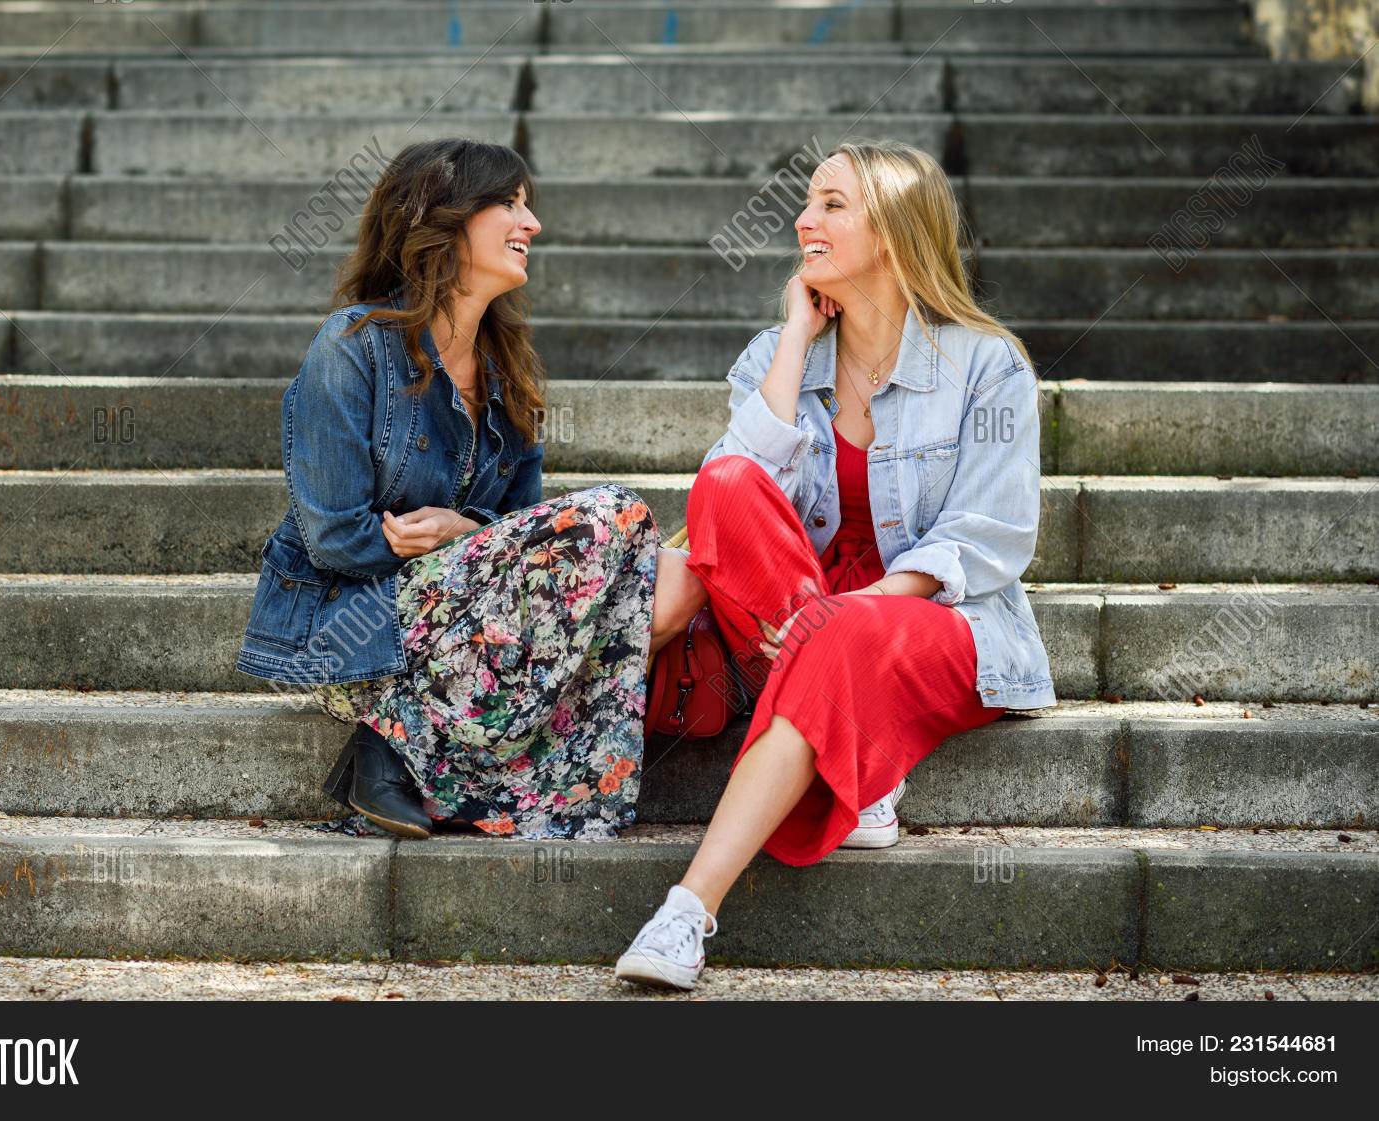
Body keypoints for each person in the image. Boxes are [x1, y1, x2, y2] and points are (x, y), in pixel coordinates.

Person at [614, 139, 1057, 989]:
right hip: (787, 620)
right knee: (728, 480)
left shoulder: (985, 364)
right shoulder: (776, 357)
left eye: (830, 204)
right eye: (808, 202)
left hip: (933, 623)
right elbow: (728, 502)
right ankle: (862, 751)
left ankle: (687, 912)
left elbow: (990, 530)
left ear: (892, 230)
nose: (802, 219)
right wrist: (793, 333)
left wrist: (862, 609)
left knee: (847, 637)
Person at [235, 138, 708, 841]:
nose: (533, 224)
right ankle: (399, 740)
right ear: (445, 219)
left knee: (662, 568)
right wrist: (472, 554)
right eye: (510, 204)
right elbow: (333, 538)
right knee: (617, 516)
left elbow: (530, 557)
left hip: (470, 628)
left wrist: (466, 537)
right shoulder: (351, 348)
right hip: (355, 627)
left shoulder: (508, 372)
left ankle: (393, 749)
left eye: (529, 206)